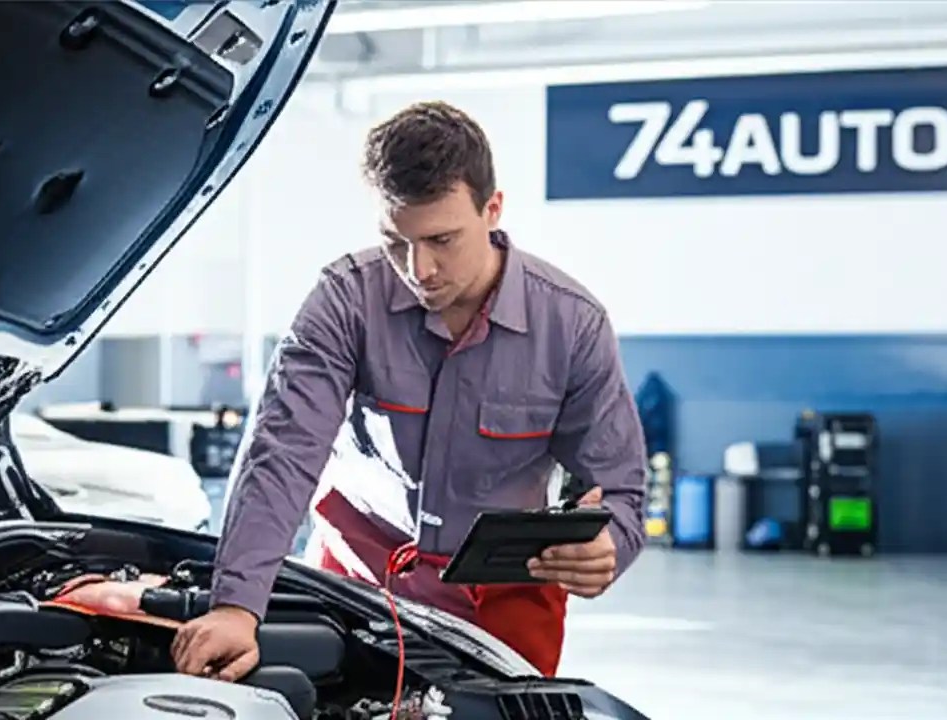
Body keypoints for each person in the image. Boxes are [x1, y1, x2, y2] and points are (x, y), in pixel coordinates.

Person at [171, 100, 647, 681]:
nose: (420, 269)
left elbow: (620, 487)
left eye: (442, 239)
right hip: (356, 577)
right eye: (396, 242)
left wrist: (609, 545)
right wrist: (236, 605)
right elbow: (282, 453)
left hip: (502, 599)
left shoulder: (572, 325)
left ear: (492, 209)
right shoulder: (345, 301)